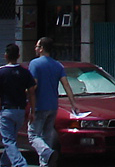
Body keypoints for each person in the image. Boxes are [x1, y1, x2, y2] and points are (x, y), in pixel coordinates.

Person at [28, 36, 80, 167]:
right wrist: (73, 104)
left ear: (42, 49)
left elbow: (33, 86)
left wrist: (26, 95)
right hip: (53, 106)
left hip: (39, 105)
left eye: (37, 46)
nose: (35, 48)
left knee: (33, 135)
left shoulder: (35, 64)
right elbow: (66, 85)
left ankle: (47, 152)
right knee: (46, 136)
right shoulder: (58, 65)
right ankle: (45, 163)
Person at [0, 43, 35, 167]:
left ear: (5, 56)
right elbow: (32, 93)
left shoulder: (0, 73)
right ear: (19, 56)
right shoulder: (25, 73)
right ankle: (5, 164)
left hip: (7, 111)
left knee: (8, 140)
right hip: (20, 111)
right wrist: (32, 111)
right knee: (12, 139)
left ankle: (20, 164)